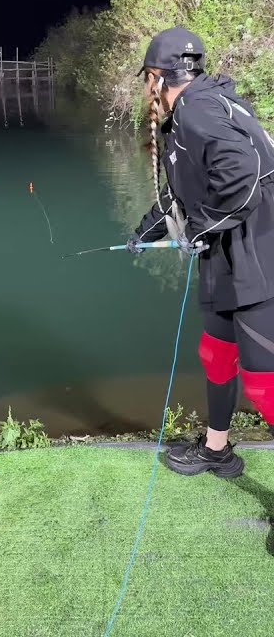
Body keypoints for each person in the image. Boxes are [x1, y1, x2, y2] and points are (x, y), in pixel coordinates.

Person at [127, 26, 274, 479]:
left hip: (259, 258)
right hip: (225, 254)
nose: (147, 89)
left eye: (147, 79)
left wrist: (200, 227)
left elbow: (243, 177)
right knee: (216, 352)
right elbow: (184, 192)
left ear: (157, 76)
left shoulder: (198, 111)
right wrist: (145, 232)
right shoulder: (197, 108)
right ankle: (217, 450)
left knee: (264, 385)